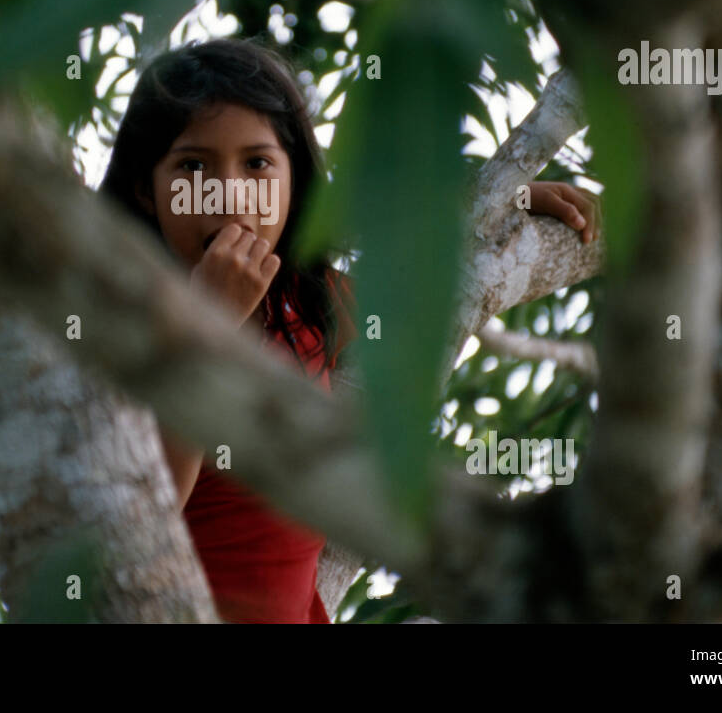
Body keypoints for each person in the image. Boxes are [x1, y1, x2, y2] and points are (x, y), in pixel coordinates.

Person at [98, 36, 599, 623]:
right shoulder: (120, 326)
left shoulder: (307, 305)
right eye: (192, 166)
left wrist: (511, 198)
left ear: (292, 185)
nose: (228, 193)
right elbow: (132, 533)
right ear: (145, 190)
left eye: (257, 164)